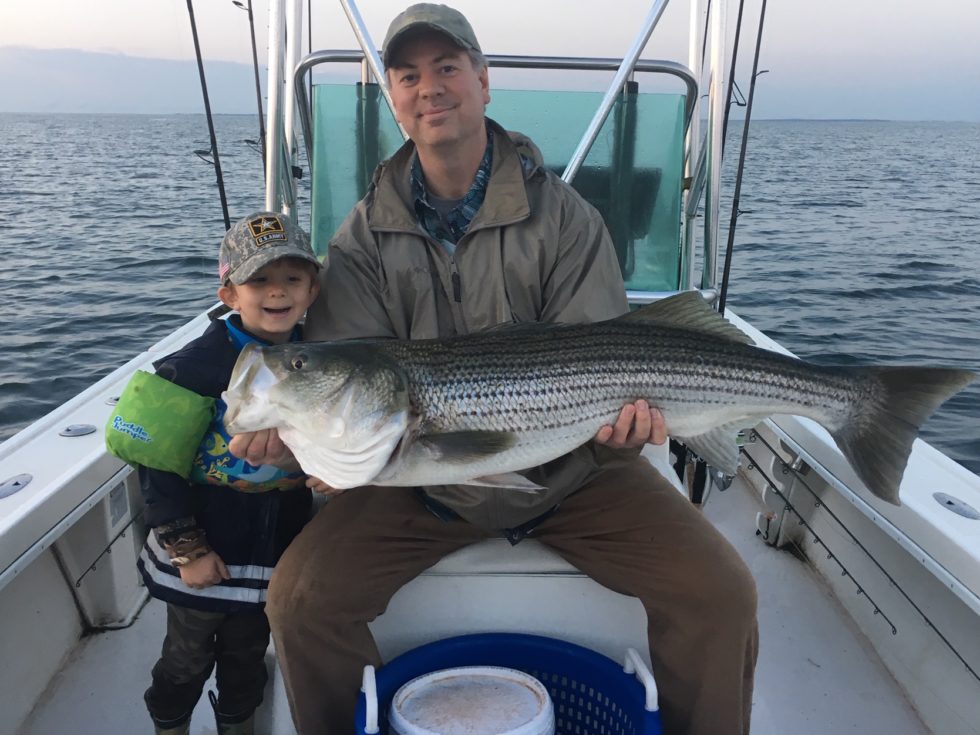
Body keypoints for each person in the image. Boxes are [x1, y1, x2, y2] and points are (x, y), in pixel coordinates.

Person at [231, 5, 759, 734]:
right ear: (393, 97)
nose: (430, 87)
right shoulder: (360, 238)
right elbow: (346, 385)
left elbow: (603, 367)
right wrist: (292, 435)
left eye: (448, 68)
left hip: (575, 473)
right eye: (409, 74)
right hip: (418, 481)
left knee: (720, 589)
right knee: (299, 598)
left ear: (483, 81)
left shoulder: (567, 218)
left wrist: (623, 433)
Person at [137, 212, 320, 735]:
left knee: (247, 658)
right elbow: (158, 464)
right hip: (203, 551)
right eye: (258, 279)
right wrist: (186, 547)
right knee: (185, 660)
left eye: (292, 278)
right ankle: (169, 725)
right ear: (229, 293)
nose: (277, 292)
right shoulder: (194, 366)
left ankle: (237, 725)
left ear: (312, 289)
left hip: (274, 553)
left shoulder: (321, 358)